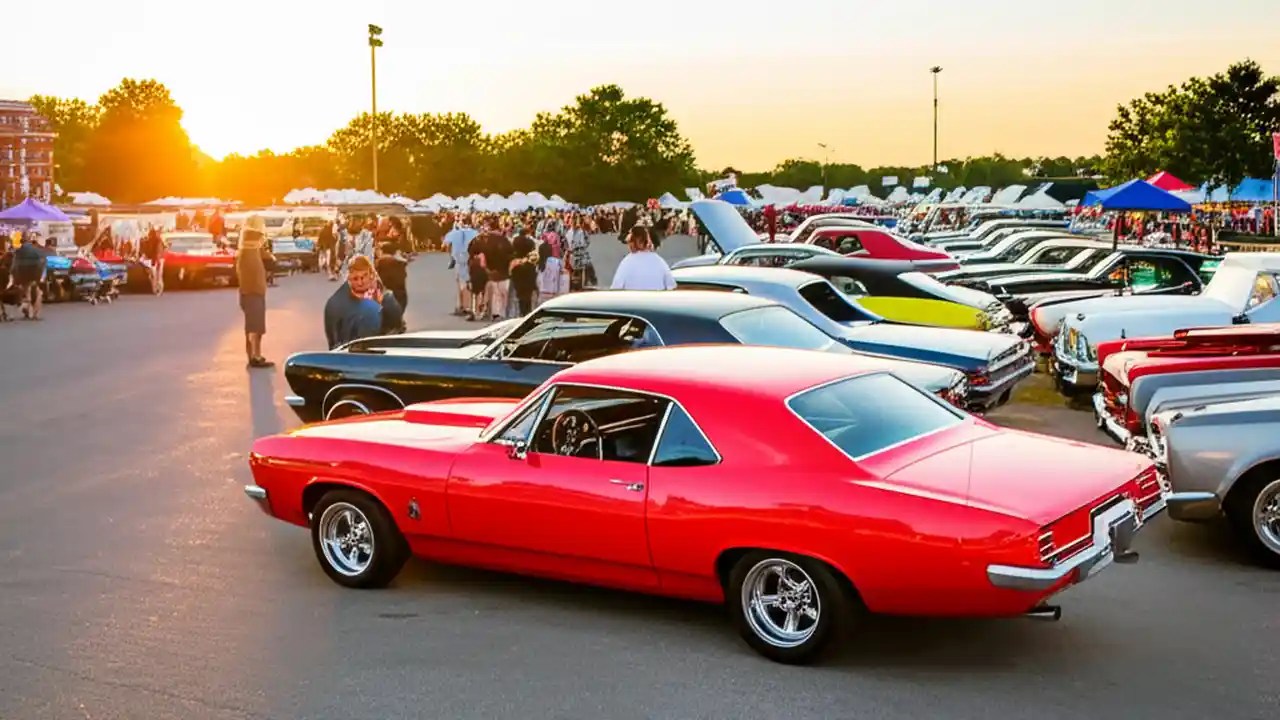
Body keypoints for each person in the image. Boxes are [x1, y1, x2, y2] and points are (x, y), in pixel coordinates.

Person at [324, 255, 403, 349]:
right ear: (349, 279)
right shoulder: (337, 303)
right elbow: (333, 339)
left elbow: (397, 328)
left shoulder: (385, 297)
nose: (360, 283)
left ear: (371, 274)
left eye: (363, 277)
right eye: (355, 279)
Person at [235, 216, 276, 368]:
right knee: (255, 326)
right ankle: (255, 357)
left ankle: (254, 355)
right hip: (252, 291)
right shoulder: (249, 247)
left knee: (254, 325)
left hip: (252, 291)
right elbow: (267, 256)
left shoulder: (247, 250)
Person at [611, 227, 675, 291]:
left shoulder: (627, 262)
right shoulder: (659, 261)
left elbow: (616, 287)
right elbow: (671, 285)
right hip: (656, 299)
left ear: (632, 242)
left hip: (632, 299)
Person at [8, 231, 47, 321]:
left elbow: (15, 264)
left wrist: (12, 275)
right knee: (37, 292)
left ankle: (26, 308)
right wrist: (42, 276)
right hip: (35, 272)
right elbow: (42, 262)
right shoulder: (35, 249)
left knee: (26, 290)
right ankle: (34, 313)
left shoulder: (18, 251)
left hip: (22, 274)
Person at [442, 218, 477, 317]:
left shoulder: (454, 233)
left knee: (461, 286)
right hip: (467, 261)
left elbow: (446, 244)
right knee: (466, 285)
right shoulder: (474, 234)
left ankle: (462, 306)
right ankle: (466, 307)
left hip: (458, 261)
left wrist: (451, 257)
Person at [479, 220, 513, 321]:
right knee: (504, 293)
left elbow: (485, 258)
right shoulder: (506, 243)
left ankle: (496, 313)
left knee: (496, 294)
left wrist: (487, 269)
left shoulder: (489, 244)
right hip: (504, 273)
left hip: (493, 273)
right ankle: (503, 312)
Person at [375, 241, 409, 329]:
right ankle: (398, 321)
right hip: (401, 293)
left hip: (386, 293)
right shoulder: (399, 263)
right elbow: (403, 276)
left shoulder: (379, 263)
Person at [509, 228, 539, 316]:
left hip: (517, 268)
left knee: (520, 291)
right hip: (529, 267)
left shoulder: (515, 241)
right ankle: (527, 311)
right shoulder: (531, 242)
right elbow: (534, 256)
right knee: (528, 292)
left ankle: (521, 311)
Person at [535, 241, 569, 306]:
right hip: (554, 294)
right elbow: (563, 278)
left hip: (541, 294)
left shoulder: (538, 264)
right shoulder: (557, 262)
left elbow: (537, 281)